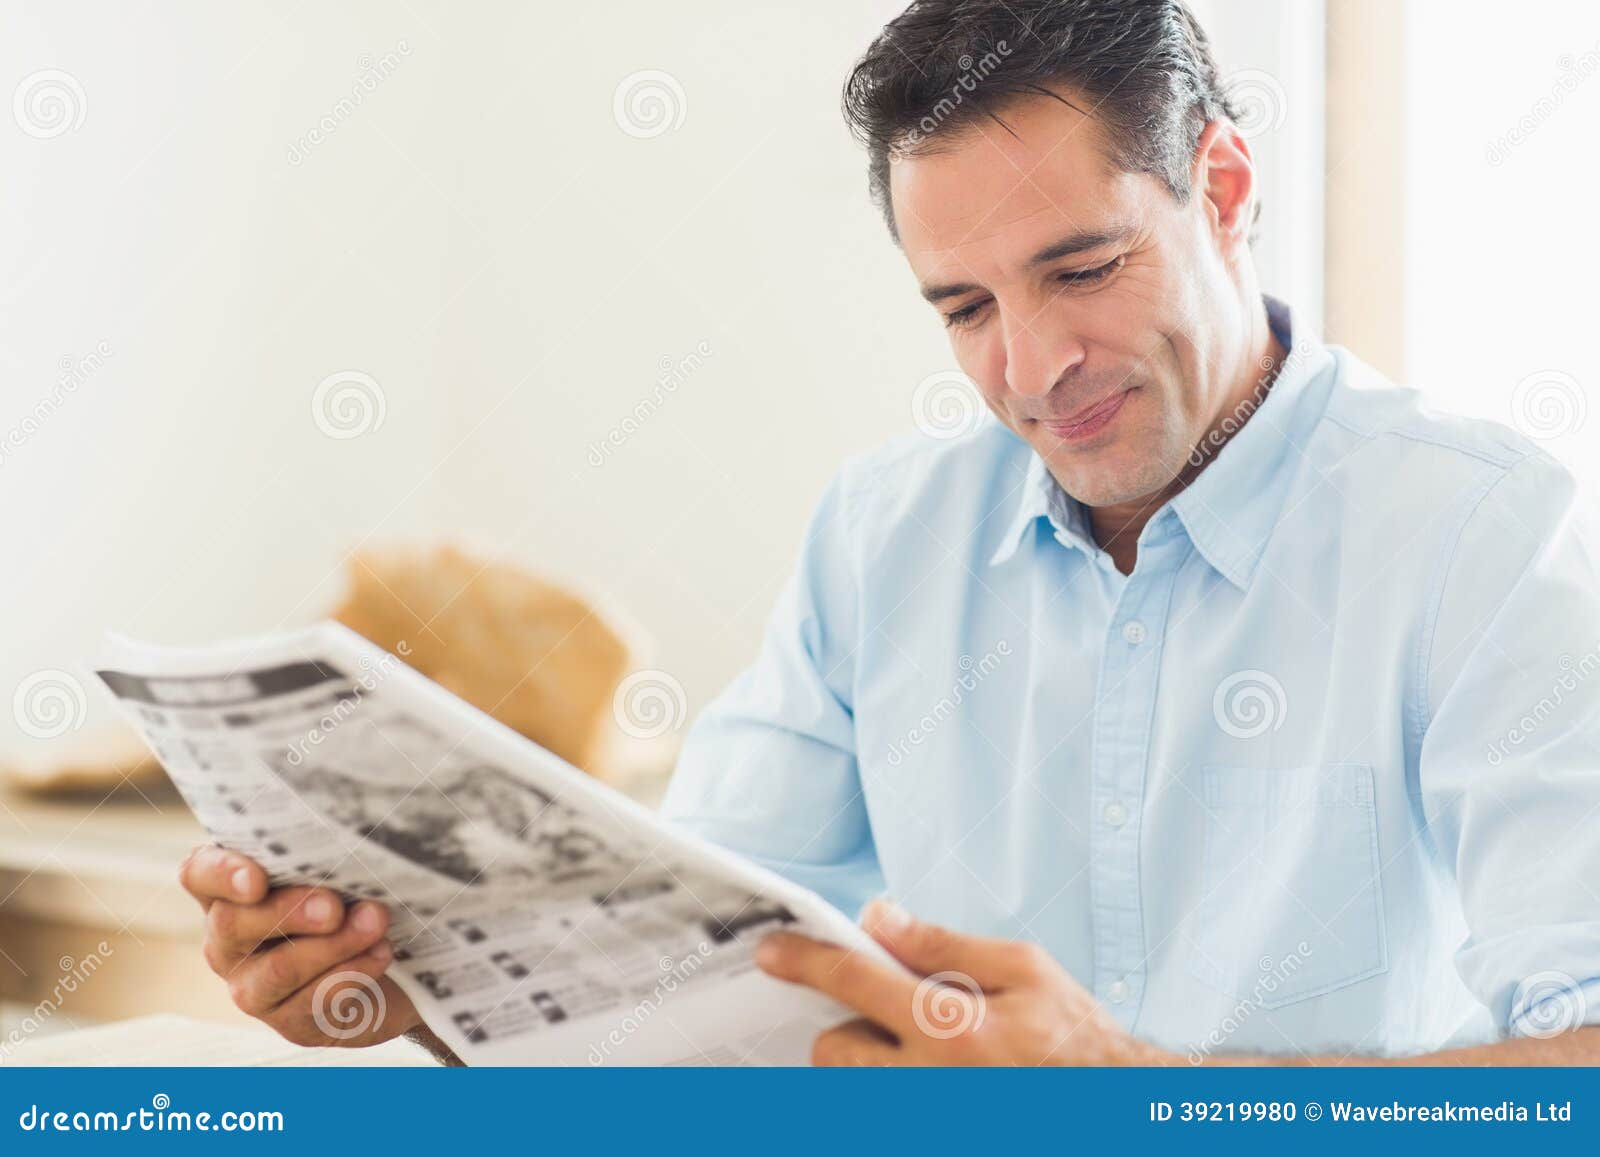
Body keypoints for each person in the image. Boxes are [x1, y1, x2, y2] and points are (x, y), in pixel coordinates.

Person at [180, 0, 1600, 1065]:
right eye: (965, 309)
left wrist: (1136, 1094)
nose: (1035, 368)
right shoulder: (883, 538)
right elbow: (681, 980)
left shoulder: (1479, 532)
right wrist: (413, 983)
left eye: (1082, 268)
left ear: (1223, 191)